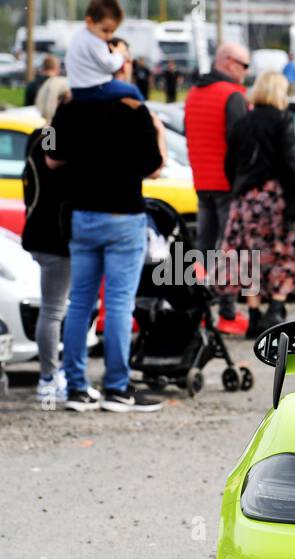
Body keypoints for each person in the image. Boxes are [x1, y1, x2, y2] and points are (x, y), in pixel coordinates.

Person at [46, 47, 165, 412]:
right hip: (124, 214)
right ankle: (116, 386)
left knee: (79, 302)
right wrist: (157, 132)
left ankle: (76, 387)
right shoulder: (134, 109)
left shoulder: (68, 107)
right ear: (119, 67)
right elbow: (155, 167)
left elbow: (50, 153)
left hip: (83, 214)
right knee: (117, 303)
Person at [222, 71, 295, 338]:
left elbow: (230, 164)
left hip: (246, 200)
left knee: (249, 259)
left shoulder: (242, 122)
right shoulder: (281, 119)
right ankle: (275, 309)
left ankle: (252, 316)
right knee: (281, 256)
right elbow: (290, 163)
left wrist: (239, 190)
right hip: (274, 200)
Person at [184, 41, 251, 322]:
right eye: (244, 66)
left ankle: (197, 307)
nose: (246, 72)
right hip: (228, 184)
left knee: (205, 246)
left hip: (202, 182)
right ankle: (227, 310)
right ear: (228, 62)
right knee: (230, 249)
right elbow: (241, 144)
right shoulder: (232, 96)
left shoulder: (193, 94)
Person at [23, 76, 75, 407]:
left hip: (40, 231)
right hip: (56, 235)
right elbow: (55, 162)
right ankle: (49, 376)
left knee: (55, 307)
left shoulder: (35, 135)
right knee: (55, 309)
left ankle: (51, 375)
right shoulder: (51, 135)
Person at [64, 0, 144, 102]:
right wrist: (119, 53)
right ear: (89, 21)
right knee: (133, 90)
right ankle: (147, 115)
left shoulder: (79, 35)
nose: (109, 36)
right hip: (94, 88)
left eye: (112, 31)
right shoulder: (94, 41)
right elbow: (110, 65)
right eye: (105, 30)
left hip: (76, 88)